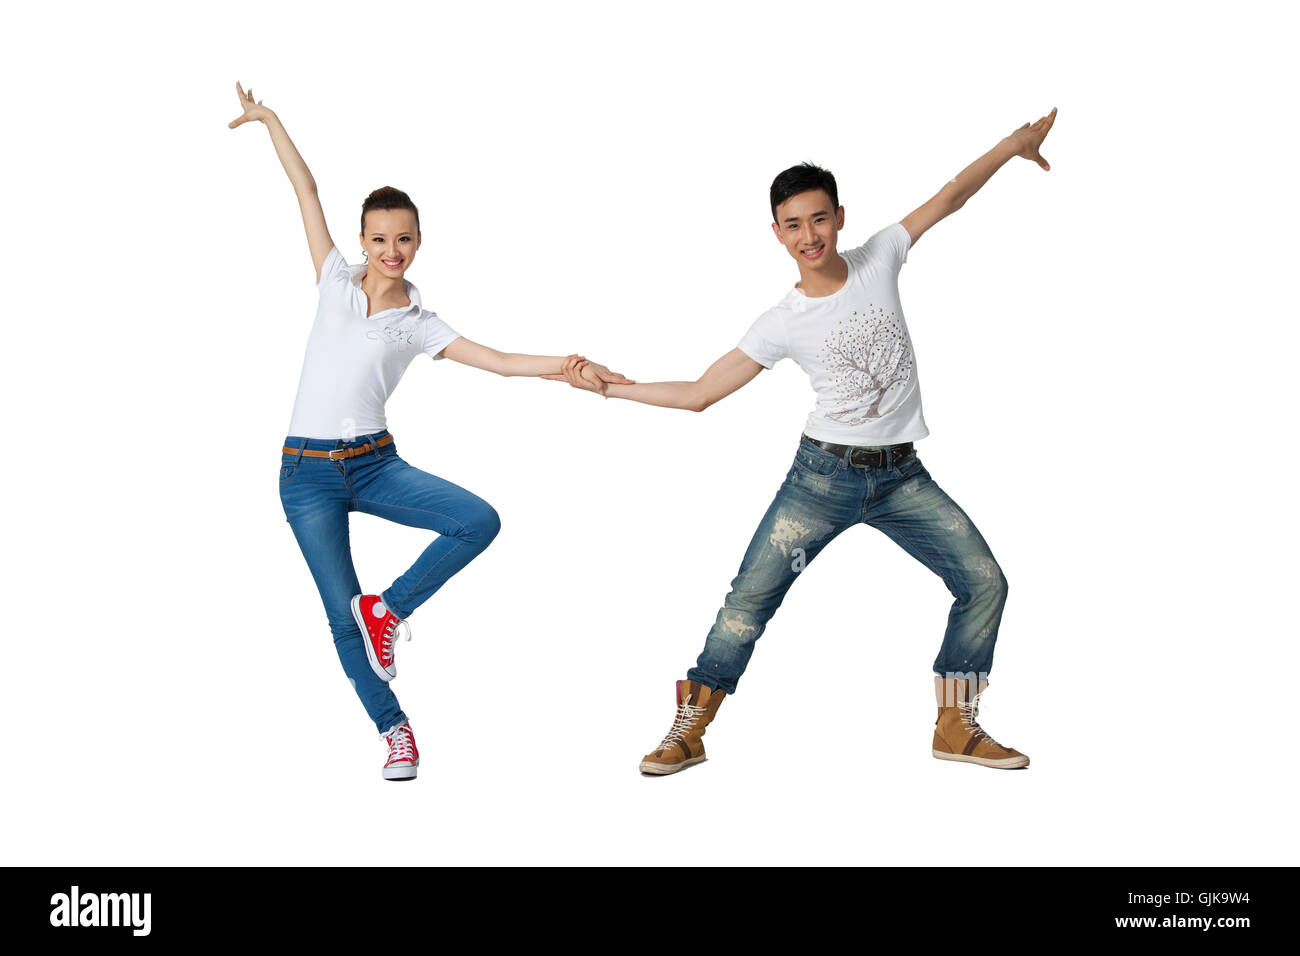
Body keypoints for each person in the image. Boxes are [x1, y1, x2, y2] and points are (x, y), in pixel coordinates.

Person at [559, 108, 1058, 774]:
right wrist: (612, 388)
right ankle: (690, 726)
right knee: (748, 603)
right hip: (820, 481)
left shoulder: (881, 255)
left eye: (818, 219)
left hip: (903, 479)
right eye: (793, 225)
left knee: (984, 581)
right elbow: (701, 393)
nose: (808, 235)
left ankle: (955, 725)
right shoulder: (782, 322)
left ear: (840, 217)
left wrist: (1013, 145)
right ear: (776, 234)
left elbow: (950, 196)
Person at [229, 82, 628, 781]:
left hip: (377, 464)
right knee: (336, 612)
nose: (392, 250)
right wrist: (269, 120)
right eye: (379, 239)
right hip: (306, 474)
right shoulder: (331, 279)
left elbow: (499, 362)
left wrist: (566, 367)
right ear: (362, 241)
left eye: (403, 239)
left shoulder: (419, 321)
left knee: (478, 520)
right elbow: (306, 189)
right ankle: (395, 732)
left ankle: (387, 608)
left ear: (418, 242)